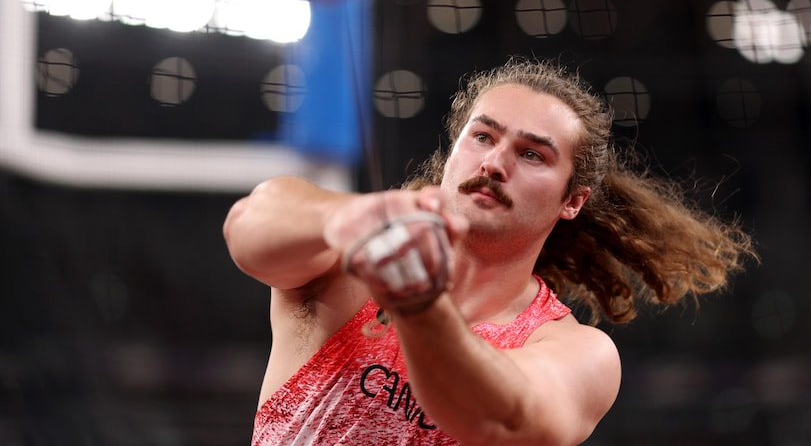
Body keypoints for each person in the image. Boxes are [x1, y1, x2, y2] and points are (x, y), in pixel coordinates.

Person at [223, 56, 757, 446]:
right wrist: (341, 218)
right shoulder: (346, 257)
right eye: (482, 137)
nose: (495, 163)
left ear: (572, 201)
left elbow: (505, 421)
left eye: (531, 154)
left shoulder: (578, 351)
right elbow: (251, 226)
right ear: (453, 151)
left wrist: (418, 303)